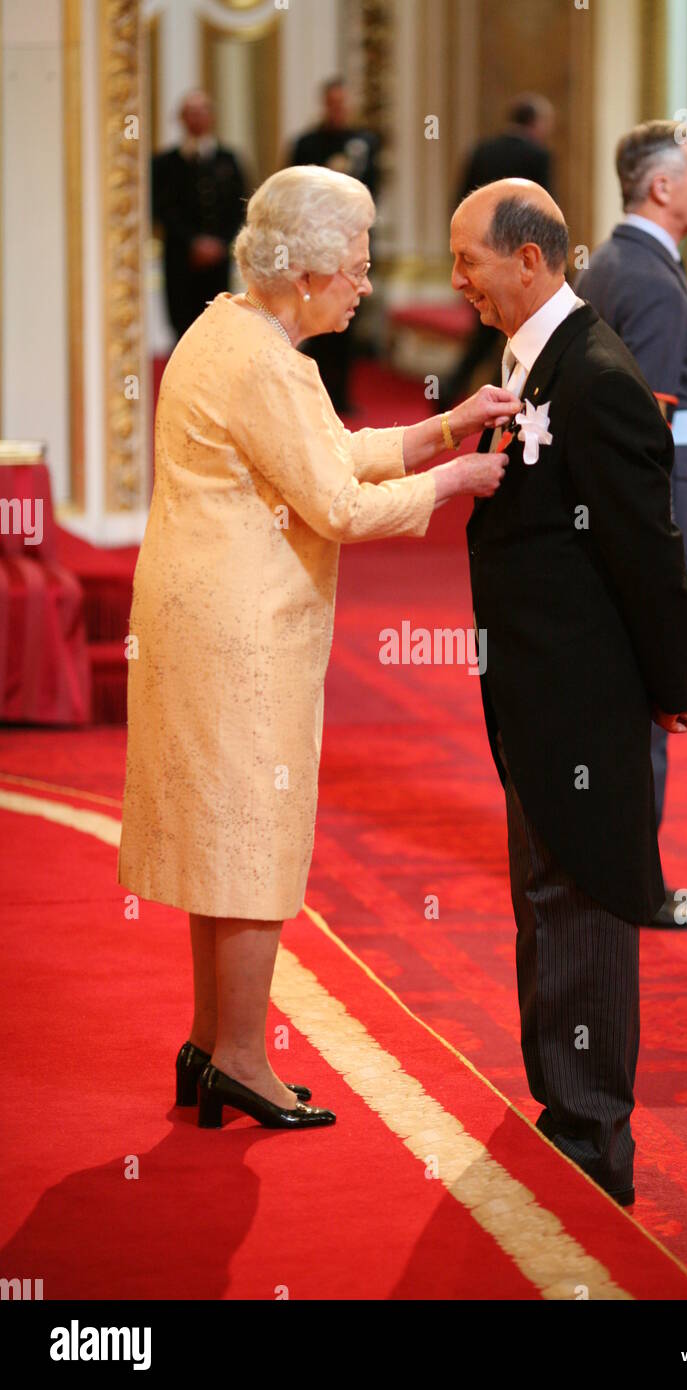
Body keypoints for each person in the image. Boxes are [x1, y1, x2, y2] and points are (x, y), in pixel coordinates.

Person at [118, 166, 519, 1134]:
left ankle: (213, 1042)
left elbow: (323, 449)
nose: (366, 283)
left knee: (217, 831)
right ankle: (245, 1058)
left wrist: (439, 427)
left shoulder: (229, 329)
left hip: (196, 612)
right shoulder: (264, 360)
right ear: (301, 272)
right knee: (250, 836)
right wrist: (459, 475)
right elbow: (335, 503)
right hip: (238, 631)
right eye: (354, 264)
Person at [452, 178, 687, 1205]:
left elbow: (645, 546)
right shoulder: (526, 358)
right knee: (545, 895)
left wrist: (670, 682)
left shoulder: (592, 373)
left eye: (468, 257)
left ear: (528, 258)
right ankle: (562, 1108)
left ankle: (596, 1134)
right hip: (535, 685)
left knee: (584, 895)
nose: (457, 276)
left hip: (582, 695)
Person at [577, 121, 687, 928]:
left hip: (649, 520)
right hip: (671, 521)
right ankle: (644, 887)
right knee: (657, 712)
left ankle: (624, 873)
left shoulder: (616, 265)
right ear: (662, 188)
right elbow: (650, 432)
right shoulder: (653, 283)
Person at [441, 95, 556, 412]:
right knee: (508, 330)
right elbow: (542, 213)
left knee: (485, 331)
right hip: (516, 260)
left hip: (479, 256)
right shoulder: (538, 154)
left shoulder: (482, 149)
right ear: (535, 123)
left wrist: (467, 253)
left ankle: (457, 387)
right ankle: (504, 394)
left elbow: (461, 200)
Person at [285, 78, 380, 413]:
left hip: (353, 244)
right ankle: (316, 395)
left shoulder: (366, 141)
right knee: (318, 321)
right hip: (316, 247)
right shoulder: (306, 144)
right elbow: (297, 195)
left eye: (344, 103)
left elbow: (373, 193)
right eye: (333, 103)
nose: (339, 109)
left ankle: (341, 396)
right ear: (325, 104)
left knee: (348, 322)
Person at [151, 90, 246, 341]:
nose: (197, 118)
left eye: (203, 112)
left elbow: (241, 206)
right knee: (183, 329)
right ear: (181, 118)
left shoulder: (229, 160)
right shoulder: (164, 163)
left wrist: (220, 243)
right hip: (181, 261)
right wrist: (193, 243)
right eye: (191, 113)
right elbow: (161, 210)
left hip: (217, 261)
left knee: (217, 328)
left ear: (212, 117)